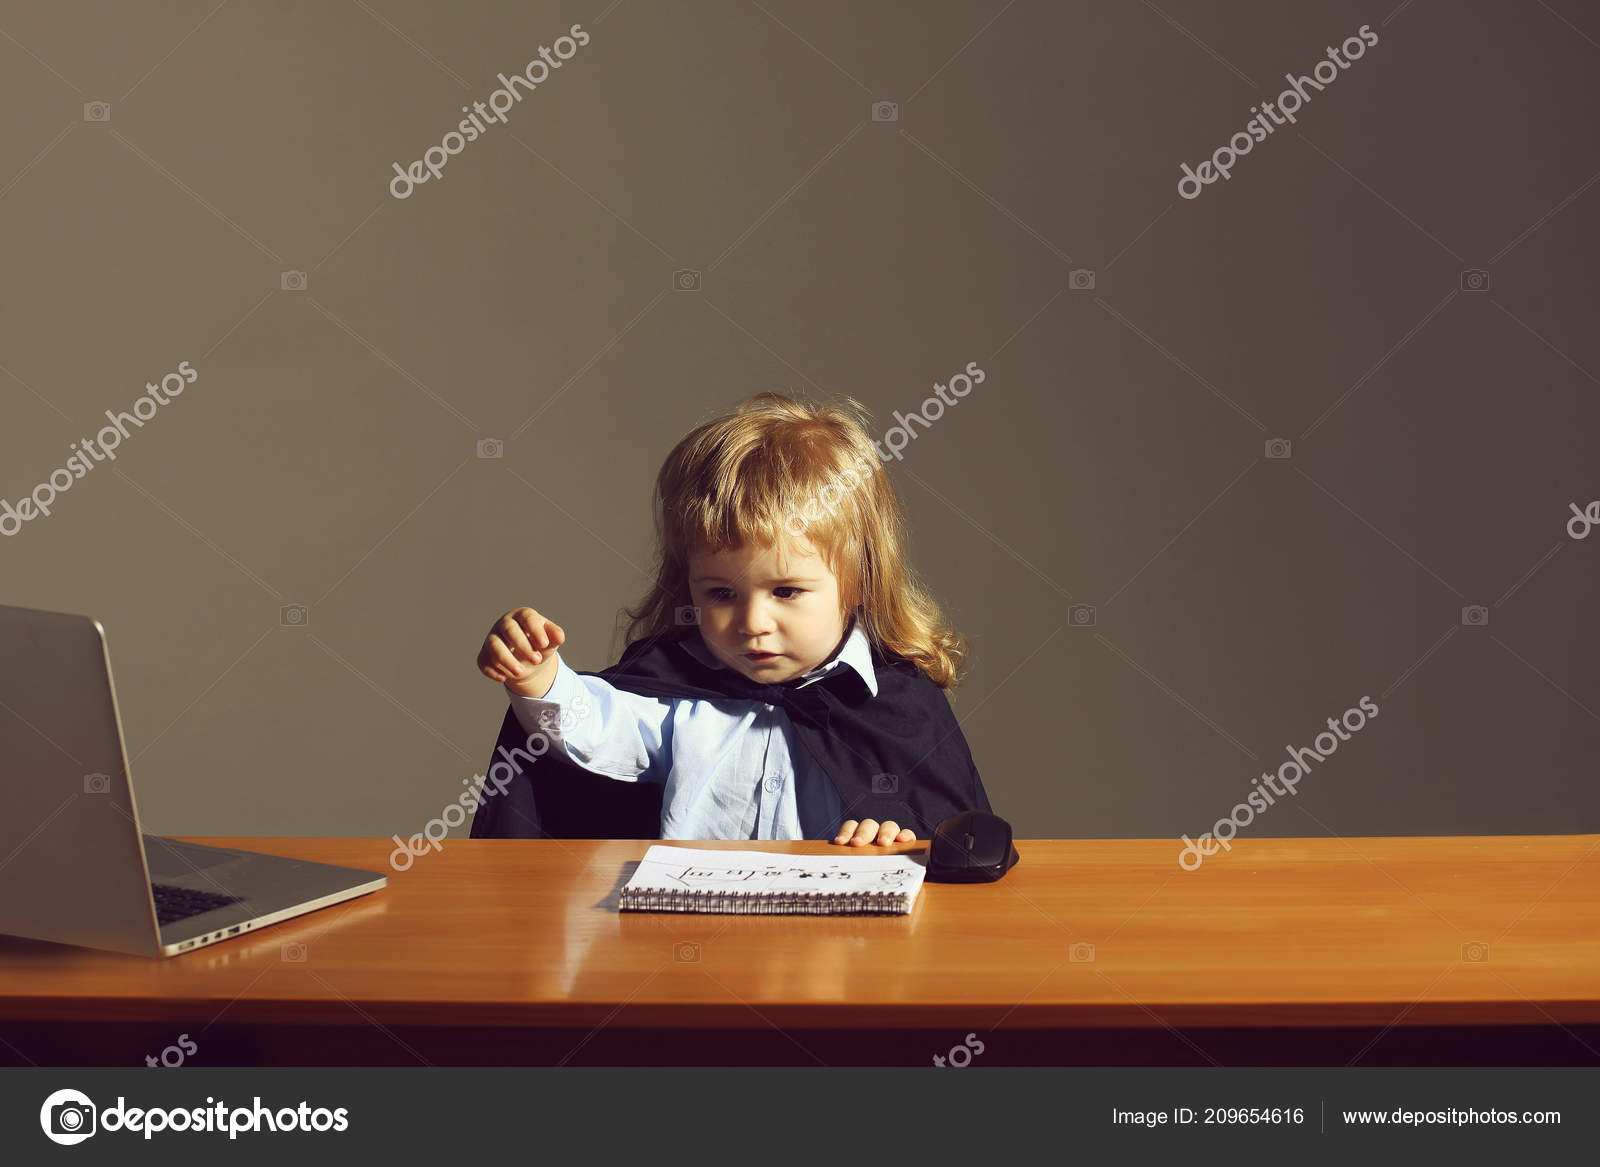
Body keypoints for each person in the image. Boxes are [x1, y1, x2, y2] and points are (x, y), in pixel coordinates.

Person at [470, 391, 995, 843]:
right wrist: (540, 679)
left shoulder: (900, 710)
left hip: (832, 947)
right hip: (684, 936)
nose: (752, 622)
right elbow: (599, 731)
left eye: (786, 591)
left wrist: (890, 839)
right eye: (722, 593)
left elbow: (946, 849)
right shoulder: (676, 694)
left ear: (858, 582)